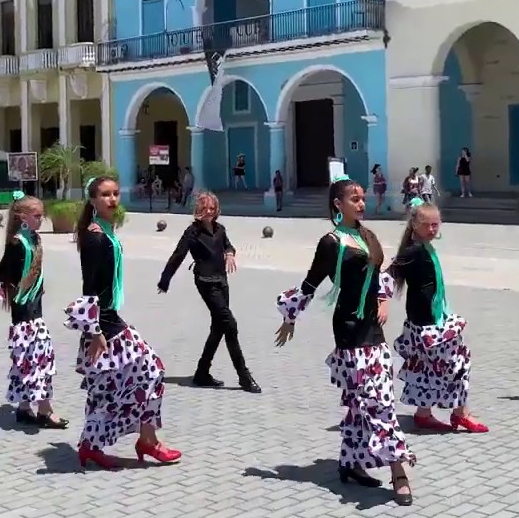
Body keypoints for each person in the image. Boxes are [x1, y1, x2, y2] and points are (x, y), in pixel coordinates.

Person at [274, 175, 415, 506]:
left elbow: (379, 275)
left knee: (360, 402)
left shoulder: (366, 235)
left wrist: (382, 301)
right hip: (350, 330)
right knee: (378, 400)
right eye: (355, 199)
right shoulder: (330, 242)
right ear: (338, 205)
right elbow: (311, 283)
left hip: (373, 328)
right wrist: (289, 316)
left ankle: (351, 464)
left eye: (363, 198)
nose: (362, 203)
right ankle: (399, 472)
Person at [65, 175, 180, 469]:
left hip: (109, 318)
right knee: (148, 371)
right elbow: (89, 287)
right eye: (105, 194)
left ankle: (128, 441)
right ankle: (138, 441)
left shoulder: (105, 230)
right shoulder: (95, 236)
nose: (113, 199)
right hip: (103, 324)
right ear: (92, 200)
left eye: (115, 193)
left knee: (118, 383)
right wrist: (95, 332)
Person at [390, 198, 488, 433]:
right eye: (428, 225)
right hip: (427, 325)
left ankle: (424, 413)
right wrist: (377, 302)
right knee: (458, 362)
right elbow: (388, 275)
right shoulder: (414, 251)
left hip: (431, 320)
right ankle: (461, 413)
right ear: (415, 225)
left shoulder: (425, 248)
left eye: (436, 224)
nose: (433, 229)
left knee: (427, 368)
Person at [0, 191, 68, 429]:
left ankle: (25, 407)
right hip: (25, 315)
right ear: (22, 216)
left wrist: (40, 286)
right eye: (36, 215)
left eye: (42, 215)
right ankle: (45, 410)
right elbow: (1, 274)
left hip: (35, 308)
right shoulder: (17, 243)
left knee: (29, 360)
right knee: (40, 360)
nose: (40, 219)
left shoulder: (35, 239)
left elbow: (34, 270)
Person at [158, 191, 260, 393]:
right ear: (198, 210)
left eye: (212, 208)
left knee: (218, 328)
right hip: (205, 282)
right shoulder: (192, 232)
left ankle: (202, 373)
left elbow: (228, 245)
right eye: (204, 208)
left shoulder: (220, 229)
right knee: (229, 325)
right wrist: (165, 280)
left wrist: (230, 254)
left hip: (222, 281)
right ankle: (244, 376)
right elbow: (178, 255)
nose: (208, 212)